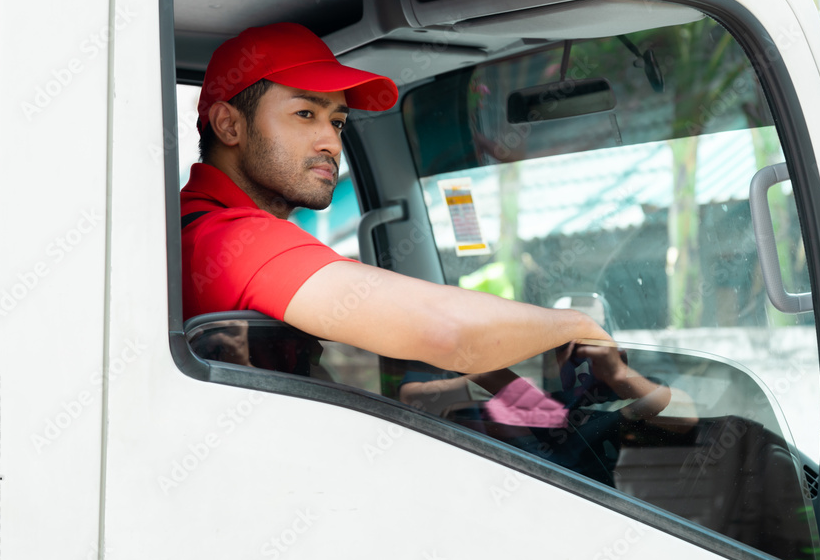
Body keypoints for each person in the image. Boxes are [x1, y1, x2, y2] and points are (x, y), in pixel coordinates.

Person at [181, 22, 670, 420]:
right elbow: (448, 332)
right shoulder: (229, 239)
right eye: (305, 113)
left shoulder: (196, 226)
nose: (331, 142)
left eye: (337, 122)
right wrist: (574, 326)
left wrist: (525, 409)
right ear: (229, 125)